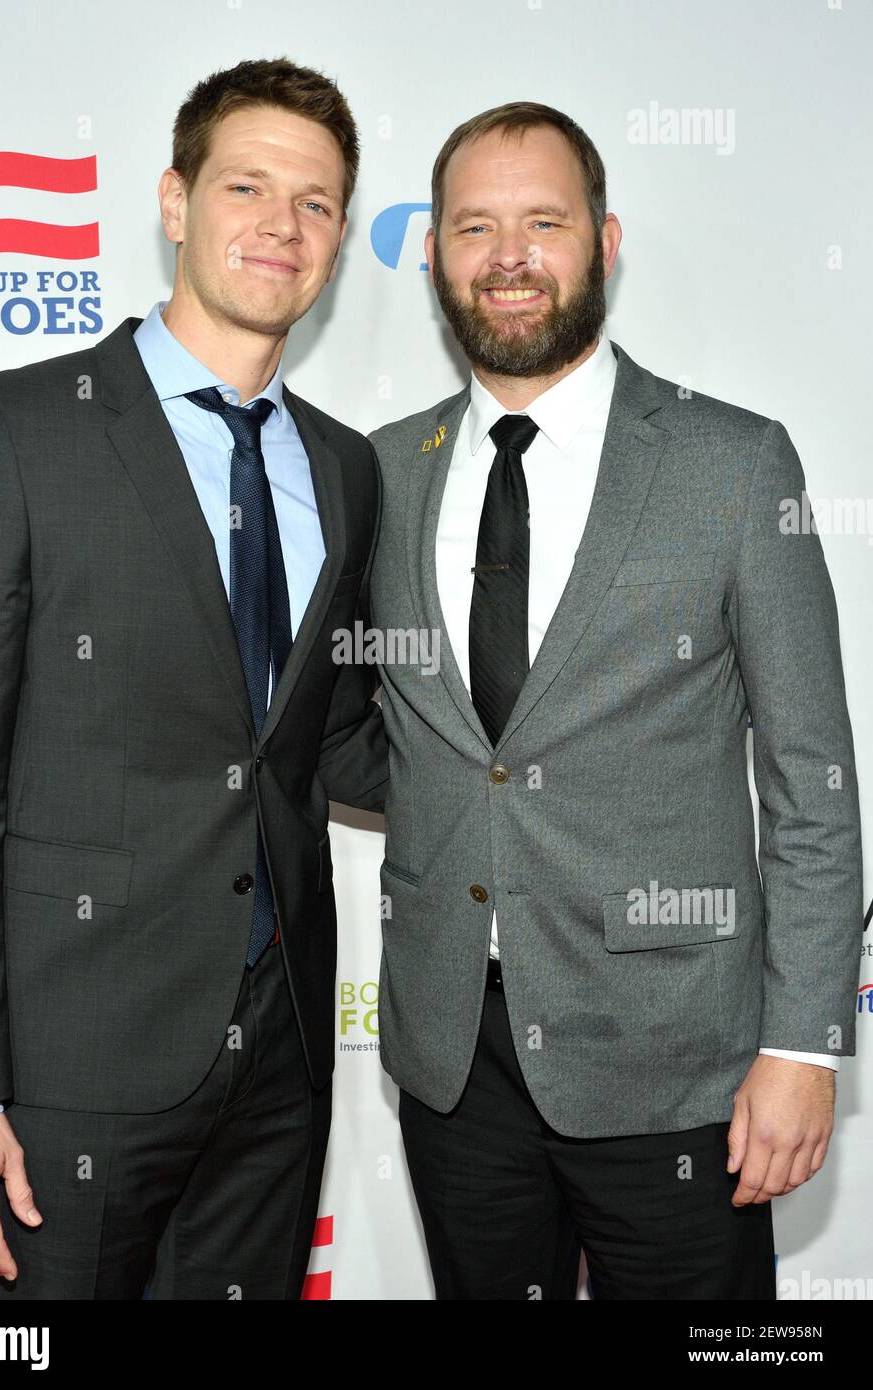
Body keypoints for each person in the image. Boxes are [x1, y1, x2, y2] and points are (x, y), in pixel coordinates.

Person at [0, 57, 387, 1300]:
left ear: (340, 237)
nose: (282, 225)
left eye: (318, 201)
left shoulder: (344, 468)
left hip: (277, 1058)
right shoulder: (11, 428)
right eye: (248, 186)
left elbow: (325, 738)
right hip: (73, 1064)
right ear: (174, 201)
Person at [366, 101, 862, 1299]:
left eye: (545, 220)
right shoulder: (379, 469)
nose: (510, 256)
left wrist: (803, 1045)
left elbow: (813, 780)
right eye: (475, 227)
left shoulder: (734, 463)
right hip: (453, 1060)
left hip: (676, 1056)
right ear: (432, 253)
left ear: (606, 238)